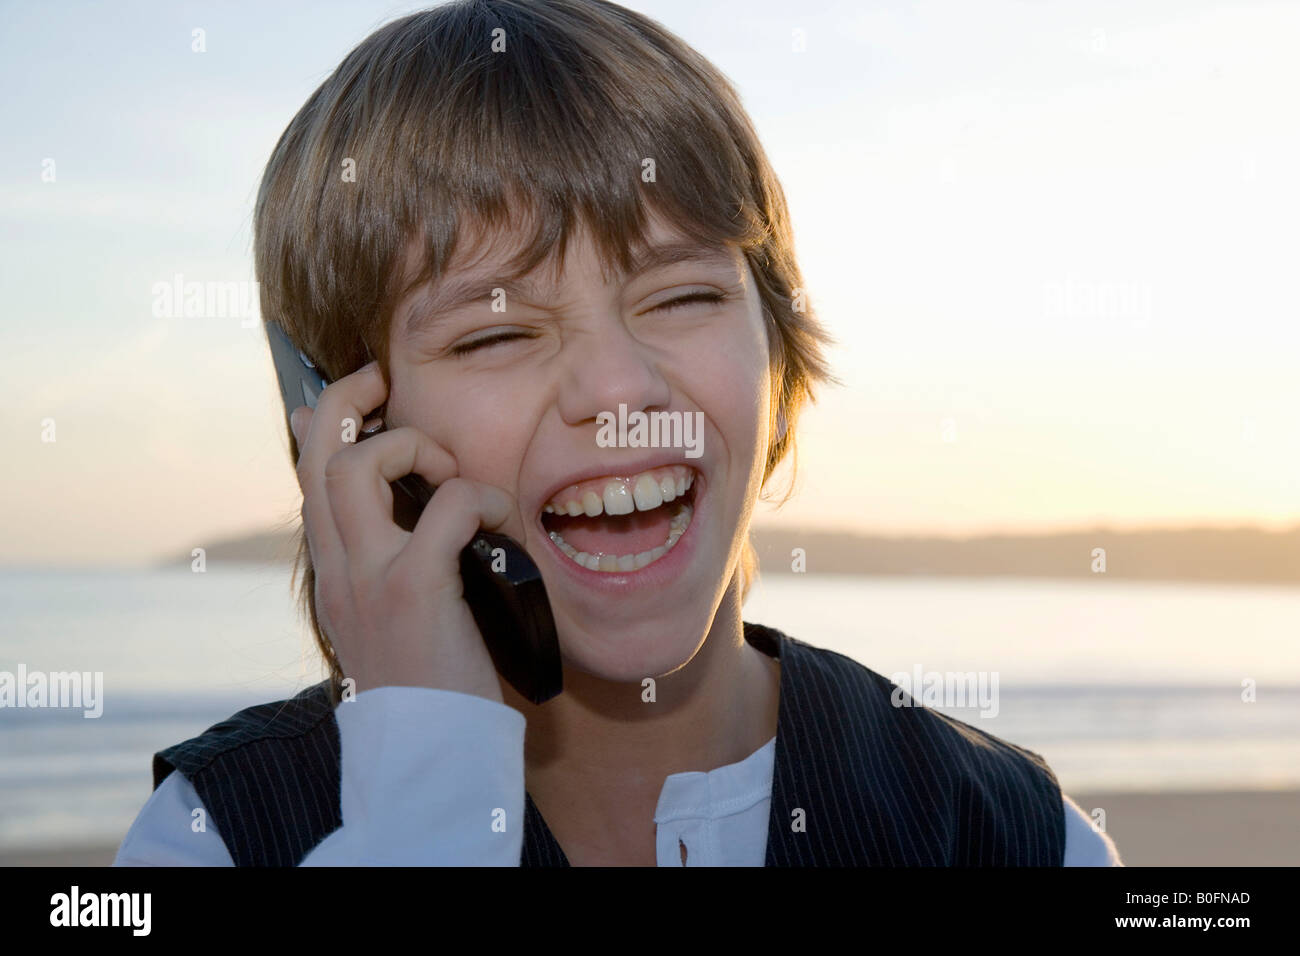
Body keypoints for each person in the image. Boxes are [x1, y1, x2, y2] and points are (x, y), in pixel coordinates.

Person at [115, 0, 1121, 867]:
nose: (618, 386)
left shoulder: (1010, 834)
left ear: (774, 348)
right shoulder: (215, 836)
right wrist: (426, 798)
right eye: (497, 331)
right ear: (349, 428)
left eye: (681, 295)